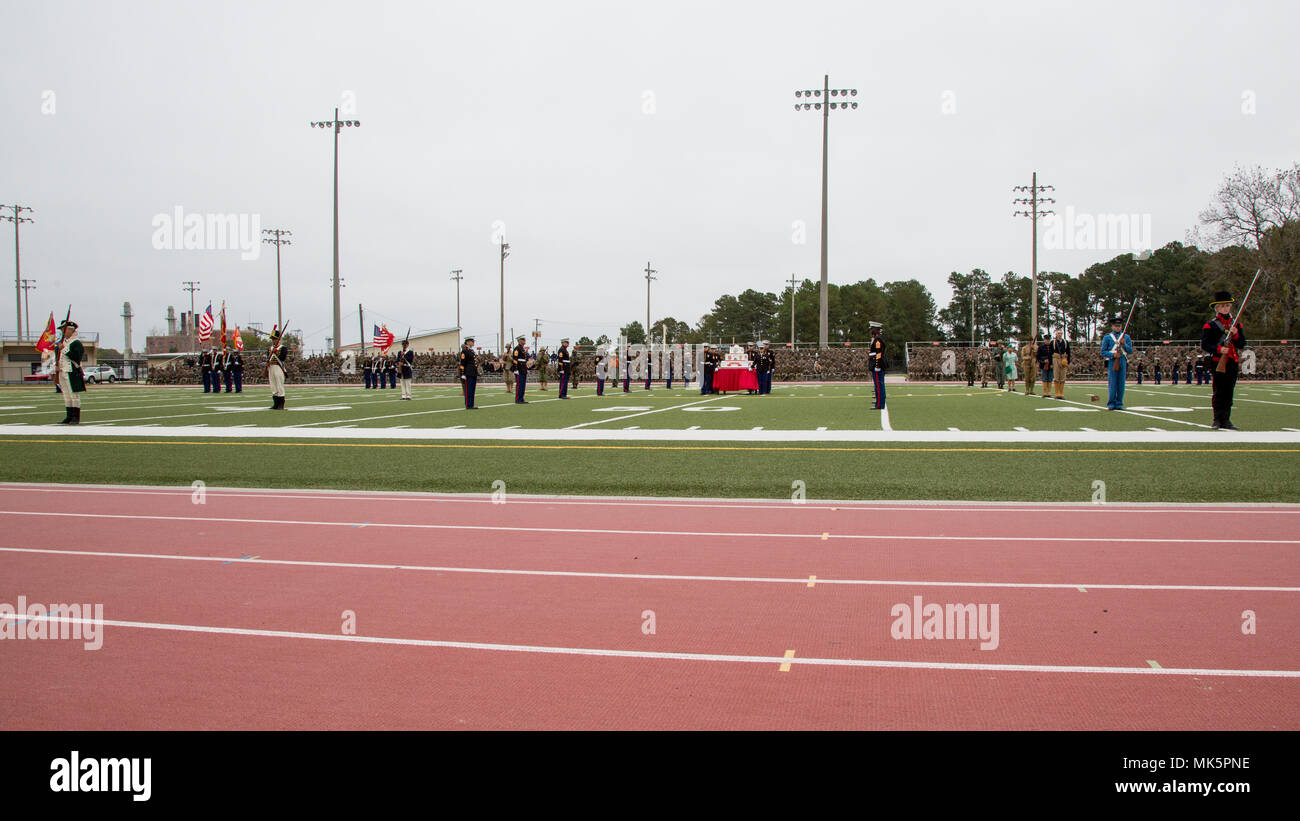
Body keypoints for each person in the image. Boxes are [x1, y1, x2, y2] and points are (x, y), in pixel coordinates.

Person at [1201, 290, 1246, 430]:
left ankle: (1226, 419)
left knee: (1229, 391)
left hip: (1232, 361)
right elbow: (1205, 344)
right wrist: (1220, 350)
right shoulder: (1211, 325)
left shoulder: (1236, 325)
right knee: (1219, 391)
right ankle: (1217, 419)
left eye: (1228, 305)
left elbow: (1242, 344)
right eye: (1223, 306)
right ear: (1217, 308)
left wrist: (1236, 334)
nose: (1226, 308)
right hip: (1218, 361)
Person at [55, 319, 86, 424]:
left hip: (72, 372)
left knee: (74, 395)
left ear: (70, 330)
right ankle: (69, 416)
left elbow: (77, 357)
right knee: (66, 394)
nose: (63, 331)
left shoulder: (76, 343)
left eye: (64, 329)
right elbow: (59, 356)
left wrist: (64, 349)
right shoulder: (63, 342)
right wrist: (57, 365)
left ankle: (75, 417)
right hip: (63, 371)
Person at [1100, 315, 1133, 410]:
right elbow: (1103, 352)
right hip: (1113, 361)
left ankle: (1119, 403)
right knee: (1112, 383)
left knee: (1121, 384)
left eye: (1119, 326)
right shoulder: (1107, 337)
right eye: (1115, 325)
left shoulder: (1126, 337)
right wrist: (1113, 355)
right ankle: (1111, 403)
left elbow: (1130, 351)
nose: (1117, 327)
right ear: (1112, 327)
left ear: (1121, 327)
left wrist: (1124, 344)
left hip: (1122, 360)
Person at [265, 326, 287, 409]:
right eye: (272, 339)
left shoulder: (282, 348)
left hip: (278, 367)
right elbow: (268, 358)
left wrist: (276, 351)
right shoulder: (270, 348)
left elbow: (282, 358)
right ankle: (276, 403)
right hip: (271, 367)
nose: (273, 340)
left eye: (274, 339)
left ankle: (281, 404)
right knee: (273, 385)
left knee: (279, 385)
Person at [868, 324, 886, 409]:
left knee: (879, 386)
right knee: (878, 385)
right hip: (876, 364)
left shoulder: (878, 341)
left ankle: (879, 404)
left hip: (877, 365)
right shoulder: (877, 340)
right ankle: (879, 403)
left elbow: (878, 353)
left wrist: (877, 365)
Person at [458, 336, 478, 409]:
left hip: (473, 372)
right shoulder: (465, 351)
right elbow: (462, 363)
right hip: (468, 372)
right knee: (468, 389)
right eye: (472, 341)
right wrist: (463, 373)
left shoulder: (471, 351)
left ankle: (471, 404)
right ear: (468, 342)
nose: (473, 343)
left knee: (472, 389)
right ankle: (468, 404)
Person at [1050, 330, 1070, 399]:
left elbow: (1068, 352)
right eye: (1058, 333)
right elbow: (1050, 353)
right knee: (1056, 376)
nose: (1060, 334)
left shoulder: (1065, 342)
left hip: (1063, 359)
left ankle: (1061, 393)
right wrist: (1051, 363)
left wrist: (1068, 361)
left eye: (1061, 333)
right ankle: (1057, 393)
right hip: (1056, 359)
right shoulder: (1053, 342)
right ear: (1056, 334)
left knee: (1063, 376)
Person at [512, 335, 530, 404]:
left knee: (523, 384)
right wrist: (515, 369)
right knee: (519, 384)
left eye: (524, 340)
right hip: (519, 368)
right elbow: (515, 359)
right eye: (522, 340)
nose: (524, 341)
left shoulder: (522, 348)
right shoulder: (517, 348)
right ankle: (518, 399)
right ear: (519, 341)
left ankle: (521, 398)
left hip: (523, 368)